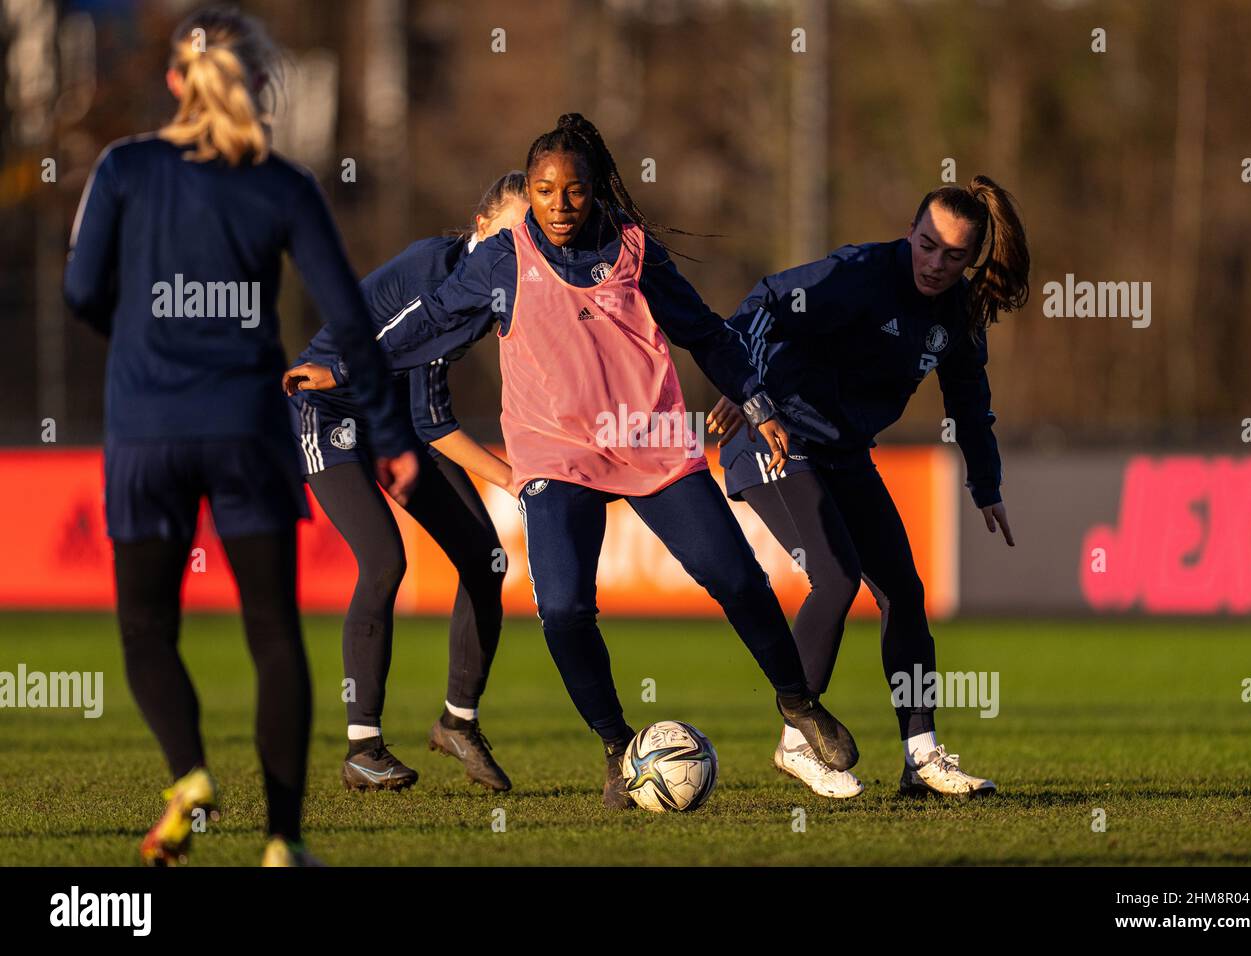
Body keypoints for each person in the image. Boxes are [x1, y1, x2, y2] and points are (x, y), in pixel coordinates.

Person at [332, 112, 857, 808]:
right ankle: (616, 746)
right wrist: (341, 366)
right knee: (566, 611)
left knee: (736, 579)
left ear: (595, 190)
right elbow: (430, 321)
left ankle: (798, 704)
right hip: (557, 454)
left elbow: (704, 331)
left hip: (655, 445)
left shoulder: (636, 250)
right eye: (544, 191)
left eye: (572, 190)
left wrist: (756, 402)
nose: (558, 205)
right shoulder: (502, 257)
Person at [62, 7, 418, 866]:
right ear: (260, 82)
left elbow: (80, 289)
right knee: (272, 633)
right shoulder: (281, 184)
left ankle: (188, 776)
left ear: (177, 80)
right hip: (245, 433)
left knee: (147, 628)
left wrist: (149, 342)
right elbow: (350, 319)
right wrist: (388, 433)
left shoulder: (124, 168)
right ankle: (283, 842)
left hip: (146, 433)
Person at [707, 176, 1028, 799]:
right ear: (911, 232)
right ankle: (798, 738)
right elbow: (767, 299)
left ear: (971, 259)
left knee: (905, 593)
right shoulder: (857, 272)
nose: (936, 263)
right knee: (835, 576)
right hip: (775, 434)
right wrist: (743, 383)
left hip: (843, 451)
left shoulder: (958, 312)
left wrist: (985, 481)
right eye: (927, 245)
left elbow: (969, 400)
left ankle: (921, 756)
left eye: (954, 255)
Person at [281, 172, 528, 793]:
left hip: (398, 425)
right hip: (329, 410)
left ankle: (458, 722)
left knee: (485, 559)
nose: (518, 248)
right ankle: (363, 746)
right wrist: (512, 478)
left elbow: (428, 416)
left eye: (530, 238)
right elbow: (400, 379)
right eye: (510, 231)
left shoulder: (489, 297)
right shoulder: (434, 272)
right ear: (479, 228)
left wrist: (515, 473)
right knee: (383, 560)